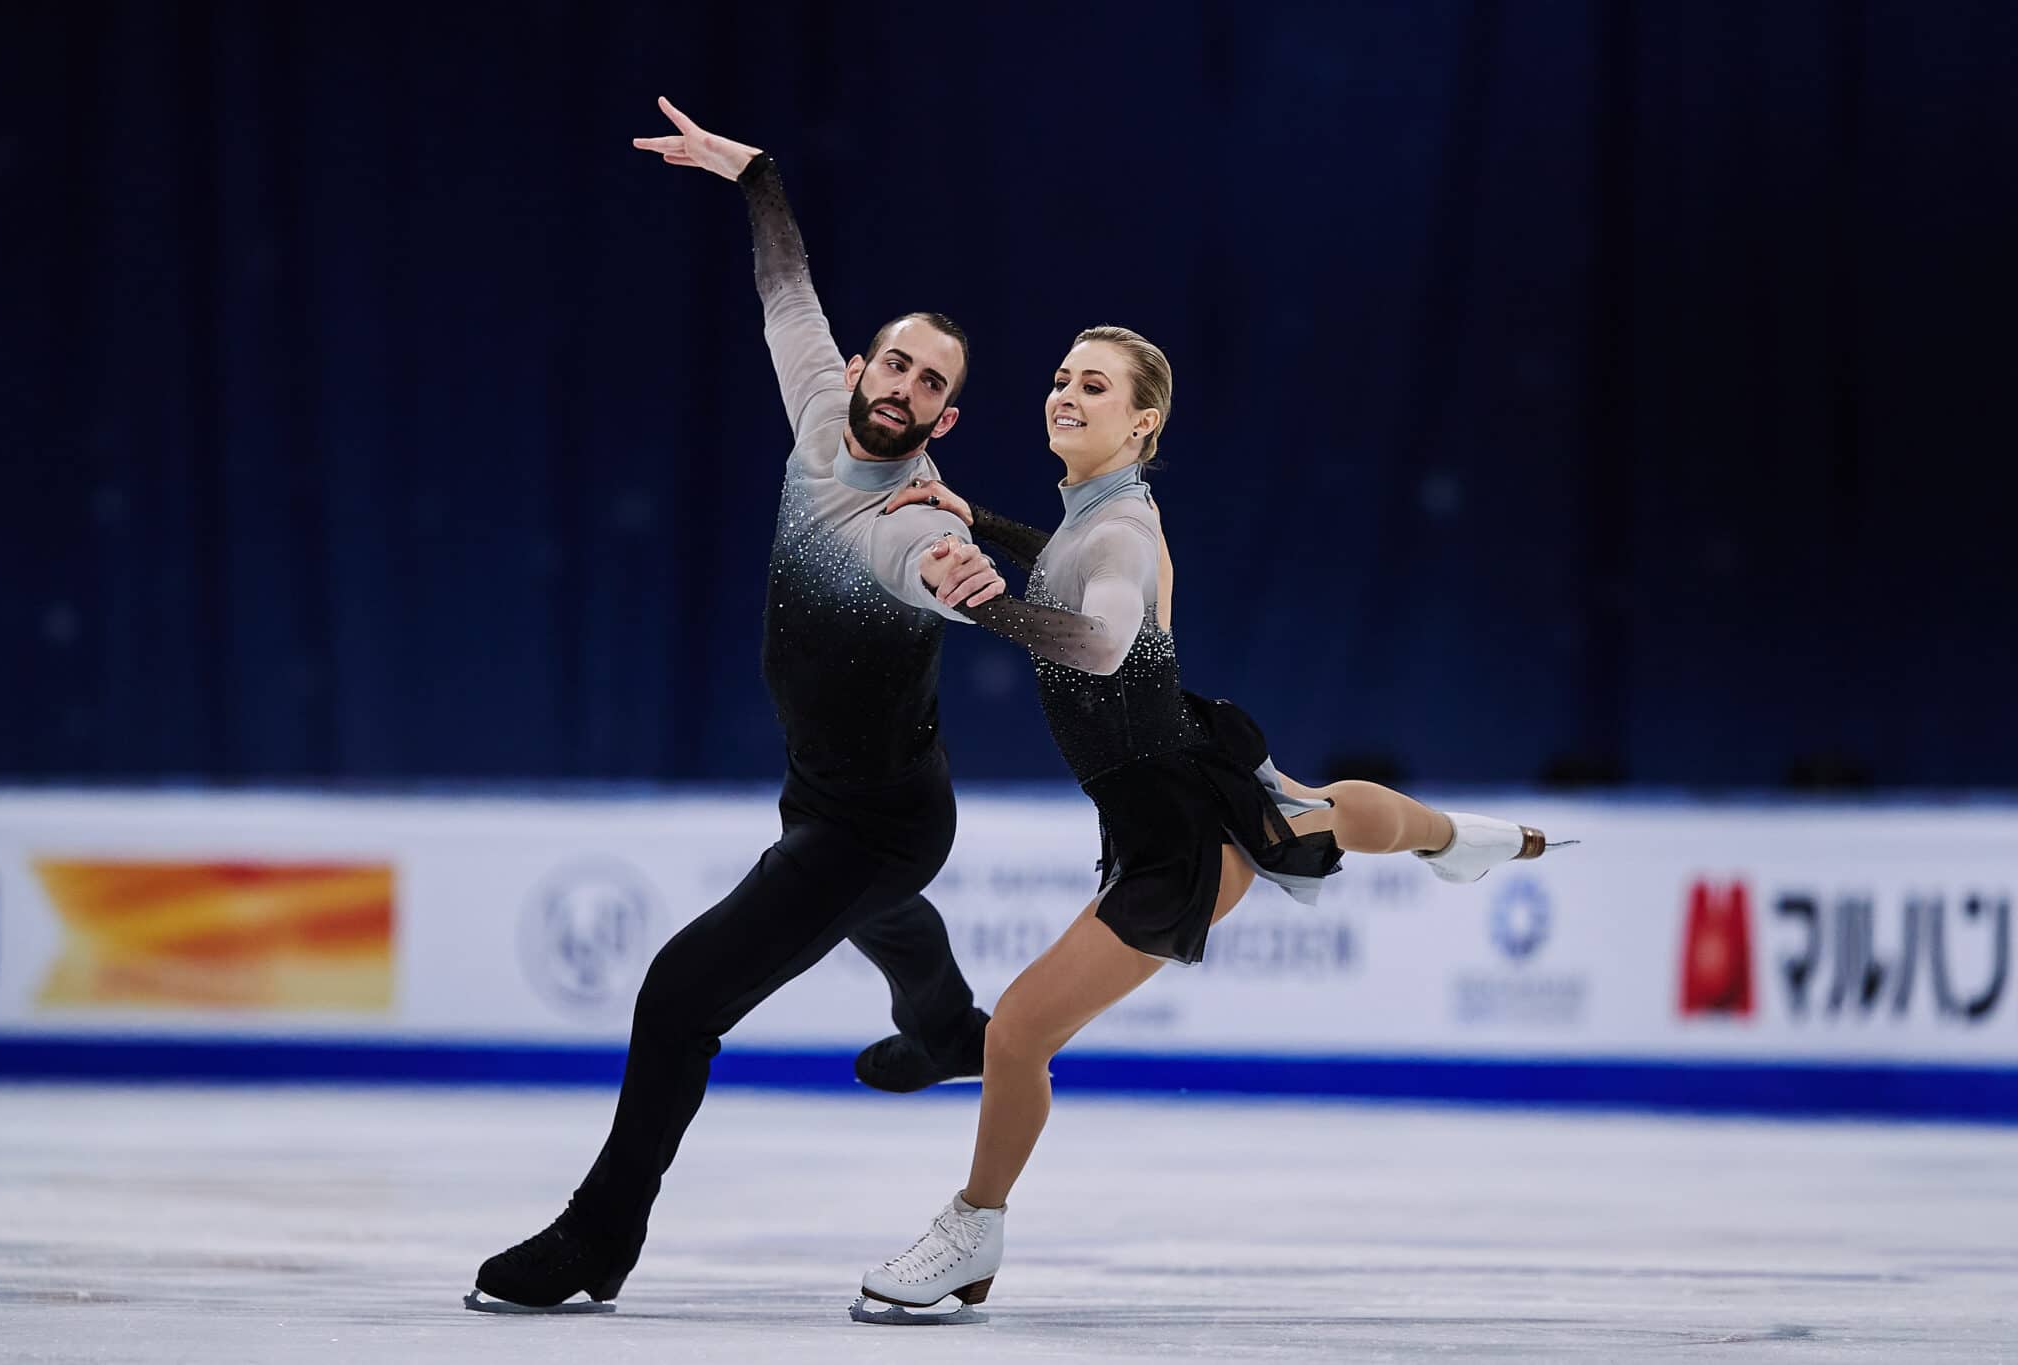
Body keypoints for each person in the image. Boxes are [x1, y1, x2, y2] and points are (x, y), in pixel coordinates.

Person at [850, 325, 1570, 1323]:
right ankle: (1458, 841)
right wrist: (977, 519)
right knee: (1312, 816)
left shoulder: (1119, 534)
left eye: (1092, 386)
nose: (1064, 394)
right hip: (1188, 766)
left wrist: (986, 605)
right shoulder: (1100, 512)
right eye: (1060, 378)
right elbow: (1064, 564)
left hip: (1172, 833)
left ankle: (974, 1231)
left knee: (1014, 1034)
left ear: (1140, 422)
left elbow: (1098, 637)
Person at [466, 98, 1012, 1313]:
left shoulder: (911, 519)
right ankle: (951, 1032)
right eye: (898, 361)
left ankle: (596, 1238)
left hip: (871, 820)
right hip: (845, 791)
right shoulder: (822, 405)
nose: (905, 386)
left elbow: (937, 574)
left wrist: (976, 588)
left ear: (944, 420)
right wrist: (755, 173)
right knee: (883, 917)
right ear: (865, 367)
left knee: (679, 994)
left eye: (933, 385)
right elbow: (785, 287)